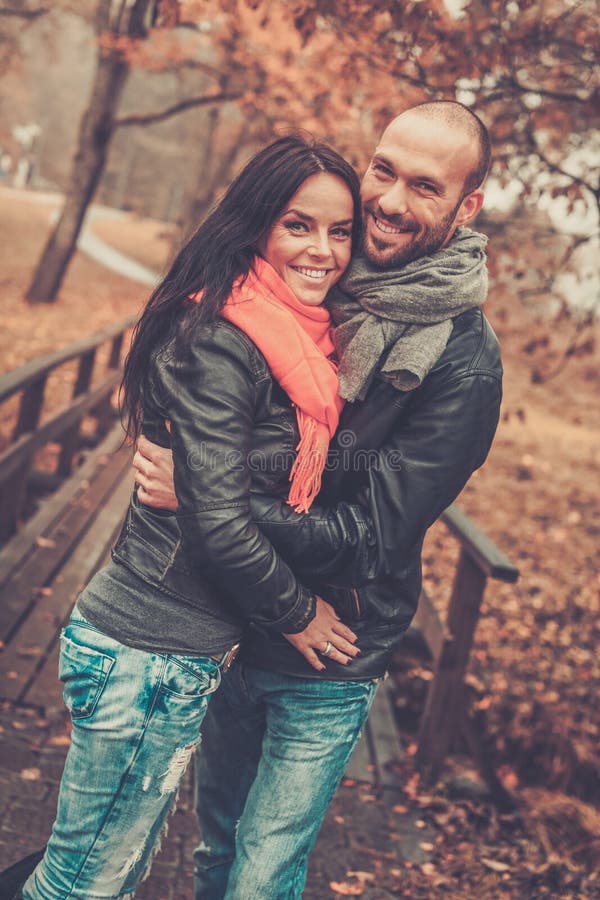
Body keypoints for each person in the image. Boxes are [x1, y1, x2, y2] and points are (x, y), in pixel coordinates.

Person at [134, 100, 503, 899]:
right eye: (384, 170)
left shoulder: (464, 367)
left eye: (427, 187)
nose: (392, 201)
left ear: (468, 206)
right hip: (237, 613)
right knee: (217, 849)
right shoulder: (317, 278)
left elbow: (371, 537)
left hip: (333, 645)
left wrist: (206, 496)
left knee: (263, 874)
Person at [13, 135, 375, 900]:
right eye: (298, 225)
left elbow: (219, 498)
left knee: (95, 874)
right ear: (255, 226)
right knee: (83, 885)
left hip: (168, 655)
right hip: (148, 649)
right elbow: (215, 525)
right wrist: (299, 612)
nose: (324, 250)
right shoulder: (225, 337)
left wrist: (219, 498)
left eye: (340, 231)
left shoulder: (294, 339)